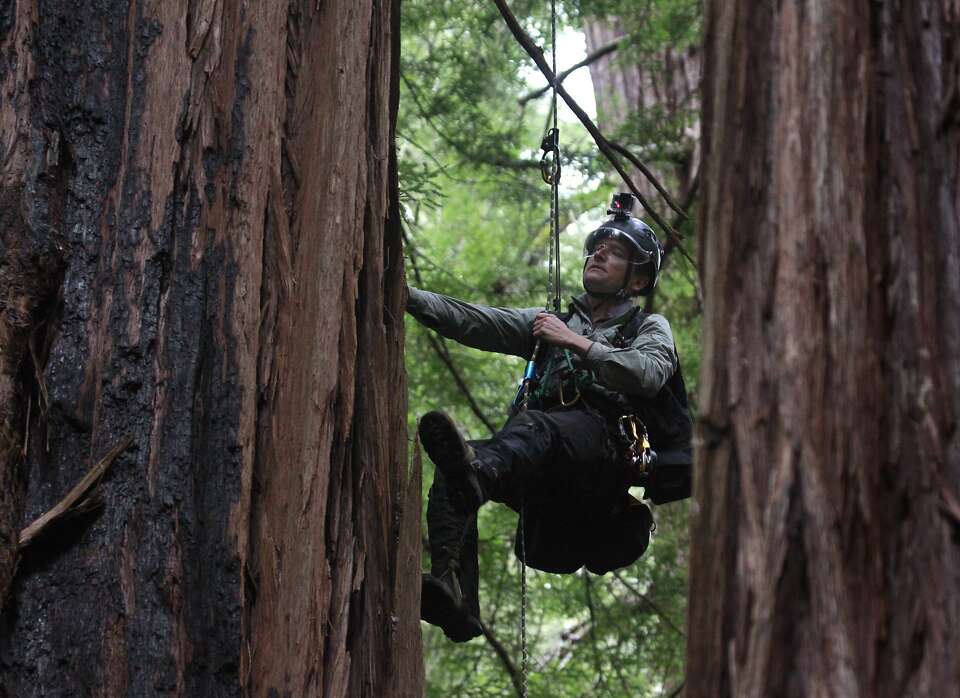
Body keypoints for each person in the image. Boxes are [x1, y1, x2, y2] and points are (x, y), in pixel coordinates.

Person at [408, 193, 693, 642]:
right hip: (541, 463)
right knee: (452, 471)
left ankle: (479, 476)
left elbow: (651, 372)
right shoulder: (550, 325)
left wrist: (576, 343)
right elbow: (474, 320)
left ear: (636, 281)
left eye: (615, 252)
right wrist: (405, 296)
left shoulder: (646, 326)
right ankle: (455, 593)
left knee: (530, 432)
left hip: (601, 456)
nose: (599, 252)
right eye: (597, 246)